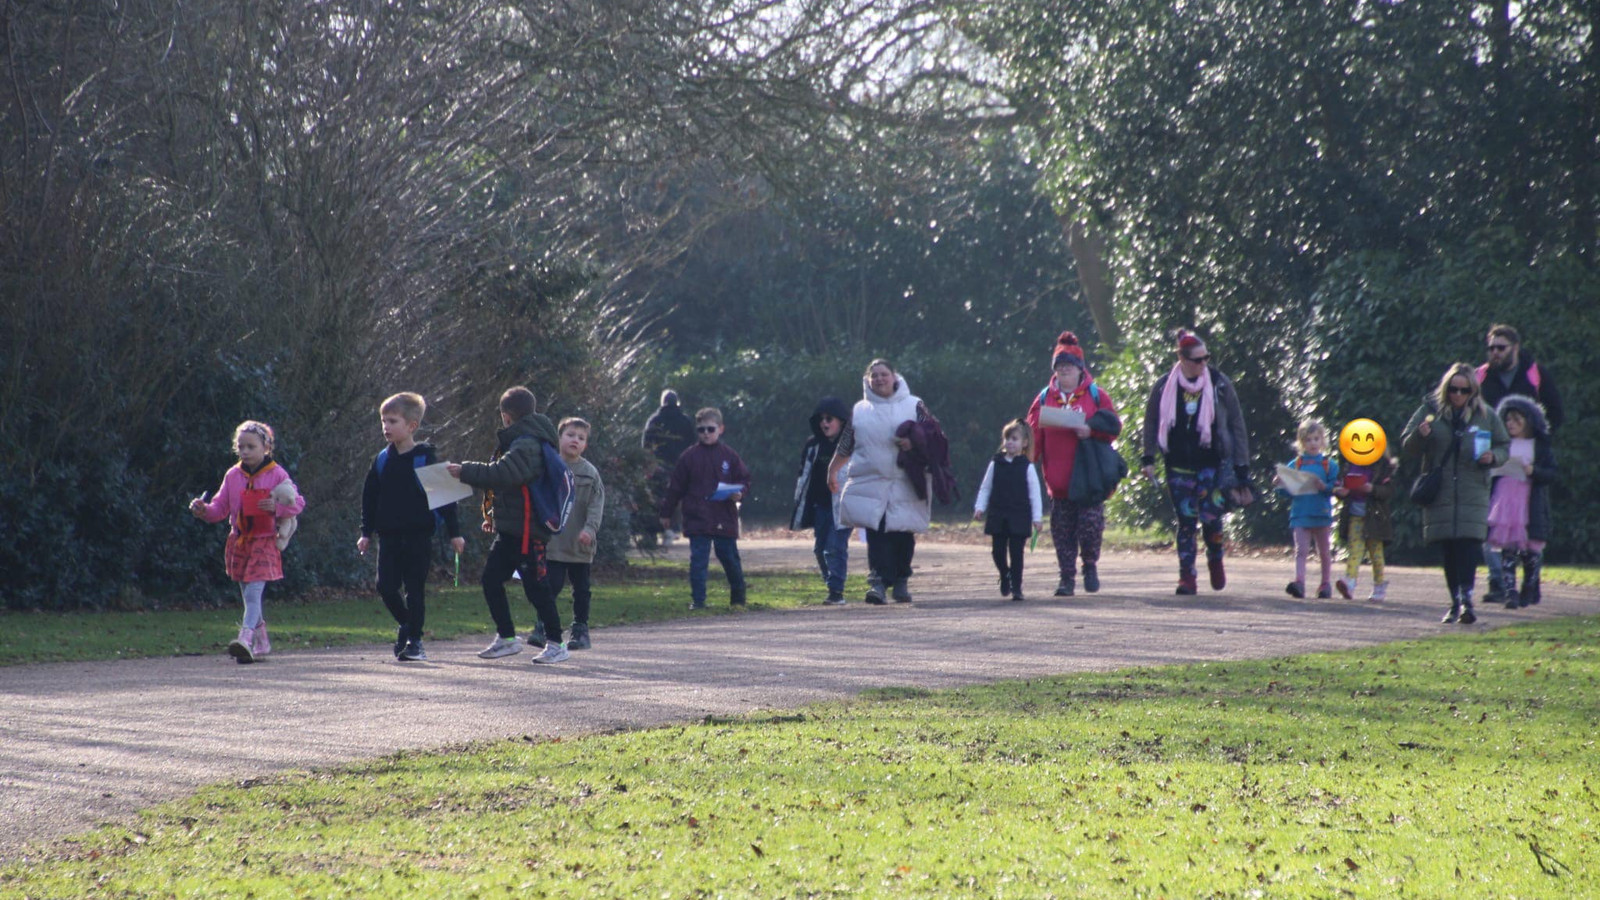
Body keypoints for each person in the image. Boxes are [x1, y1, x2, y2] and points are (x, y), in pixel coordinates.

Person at [447, 386, 569, 664]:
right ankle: (507, 638)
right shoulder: (524, 440)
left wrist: (464, 471)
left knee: (537, 588)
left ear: (506, 416)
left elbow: (503, 474)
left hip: (528, 532)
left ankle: (556, 643)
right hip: (512, 530)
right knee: (491, 580)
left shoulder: (527, 444)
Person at [1140, 331, 1254, 595]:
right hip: (1177, 464)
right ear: (1182, 359)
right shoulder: (1164, 386)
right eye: (1198, 359)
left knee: (1211, 518)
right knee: (1186, 521)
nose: (1204, 363)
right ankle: (1187, 577)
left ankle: (1215, 556)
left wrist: (1241, 464)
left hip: (1213, 463)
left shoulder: (1219, 383)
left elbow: (1236, 423)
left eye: (1206, 358)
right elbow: (1151, 422)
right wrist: (1148, 458)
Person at [357, 392, 466, 661]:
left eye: (393, 421)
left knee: (414, 589)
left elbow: (446, 498)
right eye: (383, 421)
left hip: (418, 536)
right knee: (385, 586)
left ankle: (415, 642)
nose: (386, 426)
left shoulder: (426, 457)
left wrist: (455, 534)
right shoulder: (381, 460)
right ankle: (407, 625)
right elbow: (369, 498)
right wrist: (365, 532)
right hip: (389, 536)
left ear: (411, 426)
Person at [188, 421, 307, 664]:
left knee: (253, 593)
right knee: (247, 594)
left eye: (251, 446)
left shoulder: (277, 474)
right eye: (240, 446)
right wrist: (203, 510)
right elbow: (219, 508)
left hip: (265, 541)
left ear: (266, 447)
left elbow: (298, 503)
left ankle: (245, 638)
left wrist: (277, 508)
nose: (245, 451)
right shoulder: (232, 475)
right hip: (239, 541)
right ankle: (262, 642)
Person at [1401, 363, 1509, 625]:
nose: (1458, 395)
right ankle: (1456, 601)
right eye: (1453, 389)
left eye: (1464, 390)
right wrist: (1419, 436)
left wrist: (1494, 456)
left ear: (1473, 391)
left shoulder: (1486, 415)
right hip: (1442, 491)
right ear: (1445, 388)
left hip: (1474, 489)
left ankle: (1467, 599)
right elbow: (1408, 445)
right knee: (1449, 548)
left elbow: (1504, 444)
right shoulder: (1429, 412)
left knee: (1469, 546)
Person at [829, 359, 938, 604]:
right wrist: (832, 471)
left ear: (894, 376)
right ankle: (877, 583)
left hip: (906, 482)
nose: (879, 379)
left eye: (884, 374)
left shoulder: (914, 404)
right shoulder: (860, 410)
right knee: (876, 534)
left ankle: (901, 580)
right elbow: (846, 444)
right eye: (874, 375)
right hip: (871, 483)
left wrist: (913, 443)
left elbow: (934, 435)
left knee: (903, 535)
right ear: (868, 380)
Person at [1025, 331, 1121, 596]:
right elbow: (1032, 437)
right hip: (1058, 482)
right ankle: (1066, 578)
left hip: (1089, 478)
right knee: (1062, 532)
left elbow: (1113, 427)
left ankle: (1089, 565)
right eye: (1060, 366)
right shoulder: (1044, 398)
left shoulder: (1097, 395)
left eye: (1069, 366)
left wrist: (1091, 430)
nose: (1064, 370)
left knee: (1090, 527)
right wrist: (1027, 462)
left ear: (1080, 369)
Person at [1475, 324, 1564, 602]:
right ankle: (1499, 583)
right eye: (1491, 348)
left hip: (1528, 460)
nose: (1495, 353)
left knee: (1530, 525)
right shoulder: (1481, 377)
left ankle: (1530, 585)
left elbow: (1555, 411)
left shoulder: (1535, 374)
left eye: (1500, 347)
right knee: (1493, 523)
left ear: (1515, 347)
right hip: (1494, 458)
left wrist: (1539, 442)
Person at [658, 407, 751, 609]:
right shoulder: (689, 457)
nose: (706, 434)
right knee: (698, 561)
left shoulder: (730, 456)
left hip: (724, 516)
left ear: (721, 429)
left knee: (729, 558)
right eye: (701, 430)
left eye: (710, 429)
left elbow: (744, 479)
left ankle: (738, 599)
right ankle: (698, 601)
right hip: (697, 516)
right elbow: (675, 487)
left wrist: (740, 493)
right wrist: (666, 512)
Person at [1486, 395, 1557, 609]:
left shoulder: (1539, 445)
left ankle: (1529, 586)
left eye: (1517, 419)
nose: (1511, 424)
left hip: (1529, 501)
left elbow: (1551, 473)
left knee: (1531, 550)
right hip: (1505, 500)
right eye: (1507, 420)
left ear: (1529, 420)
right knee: (1508, 548)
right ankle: (1510, 591)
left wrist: (1533, 471)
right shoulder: (1502, 444)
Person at [543, 417, 605, 649]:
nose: (575, 440)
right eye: (570, 435)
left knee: (581, 589)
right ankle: (544, 626)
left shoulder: (590, 473)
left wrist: (590, 530)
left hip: (580, 542)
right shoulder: (548, 466)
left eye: (581, 438)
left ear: (585, 444)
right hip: (553, 542)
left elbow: (596, 506)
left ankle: (580, 630)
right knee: (550, 585)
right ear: (559, 438)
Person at [790, 397, 853, 604]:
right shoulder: (813, 445)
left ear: (841, 421)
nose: (824, 423)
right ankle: (831, 584)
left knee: (835, 547)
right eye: (821, 419)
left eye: (829, 419)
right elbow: (804, 475)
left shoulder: (851, 445)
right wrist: (801, 503)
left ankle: (836, 590)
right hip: (821, 506)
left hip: (843, 505)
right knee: (820, 549)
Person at [973, 419, 1043, 601]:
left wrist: (1037, 518)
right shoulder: (996, 463)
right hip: (998, 514)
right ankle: (1005, 574)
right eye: (1007, 438)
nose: (1010, 442)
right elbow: (985, 487)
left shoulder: (1027, 466)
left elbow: (1034, 494)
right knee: (997, 551)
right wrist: (980, 507)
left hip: (1019, 515)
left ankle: (1017, 587)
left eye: (1014, 439)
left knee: (1016, 553)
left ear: (1024, 443)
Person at [1274, 419, 1338, 600]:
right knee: (1301, 550)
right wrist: (1279, 484)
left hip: (1321, 514)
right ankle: (1299, 582)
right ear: (1301, 442)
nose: (1313, 443)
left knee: (1324, 552)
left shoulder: (1329, 465)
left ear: (1322, 440)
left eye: (1316, 439)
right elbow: (1287, 492)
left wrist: (1324, 487)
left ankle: (1325, 584)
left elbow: (1335, 489)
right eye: (1308, 440)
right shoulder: (1295, 464)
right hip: (1300, 514)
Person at [1333, 451, 1397, 602]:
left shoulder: (1382, 467)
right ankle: (1349, 582)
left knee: (1376, 554)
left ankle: (1379, 586)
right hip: (1354, 516)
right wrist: (1340, 492)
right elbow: (1338, 487)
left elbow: (1388, 491)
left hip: (1374, 519)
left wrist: (1372, 489)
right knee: (1355, 550)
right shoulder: (1348, 466)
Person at [642, 389, 696, 544]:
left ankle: (653, 532)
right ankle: (671, 529)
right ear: (677, 402)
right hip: (680, 466)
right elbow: (692, 444)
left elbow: (646, 444)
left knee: (656, 498)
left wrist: (648, 463)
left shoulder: (654, 420)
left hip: (658, 465)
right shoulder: (685, 421)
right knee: (676, 498)